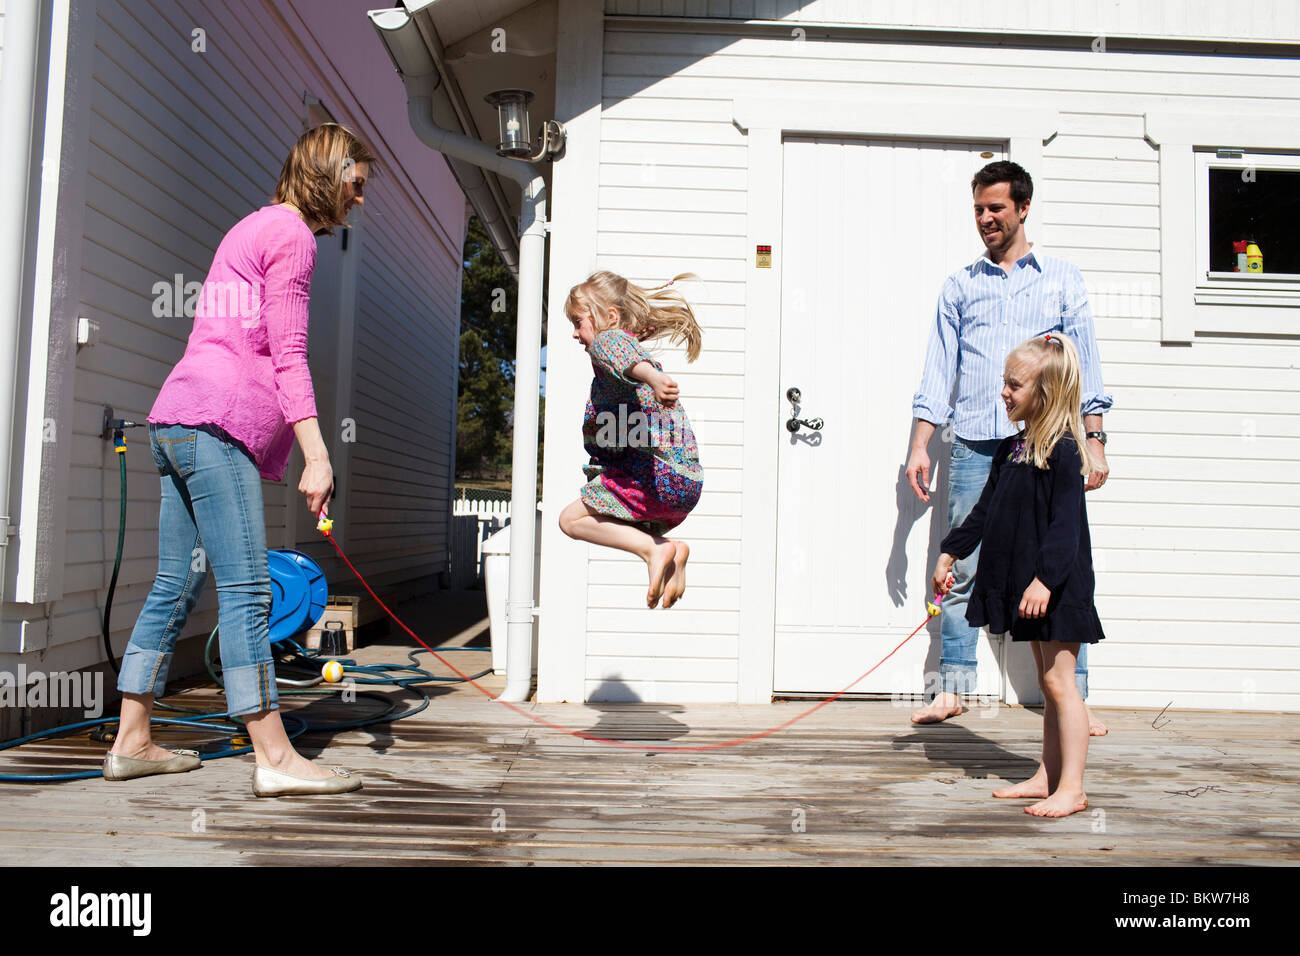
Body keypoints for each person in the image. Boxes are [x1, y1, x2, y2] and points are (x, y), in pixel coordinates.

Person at [105, 124, 374, 796]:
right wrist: (318, 454)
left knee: (175, 584)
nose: (360, 201)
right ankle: (276, 759)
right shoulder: (292, 239)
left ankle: (132, 741)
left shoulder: (250, 227)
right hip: (216, 426)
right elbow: (288, 355)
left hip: (174, 418)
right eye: (357, 185)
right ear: (330, 174)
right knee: (249, 588)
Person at [907, 161, 1112, 733]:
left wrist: (1094, 442)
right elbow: (937, 373)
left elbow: (1087, 367)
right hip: (975, 441)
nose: (985, 219)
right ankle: (952, 688)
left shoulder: (1062, 278)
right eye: (978, 209)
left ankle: (1073, 697)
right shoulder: (960, 286)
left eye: (995, 208)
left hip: (1048, 445)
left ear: (1023, 208)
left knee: (1057, 561)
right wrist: (920, 446)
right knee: (961, 561)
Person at [932, 333, 1104, 817]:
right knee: (1049, 684)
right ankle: (1047, 776)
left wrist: (1046, 581)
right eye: (1003, 383)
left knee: (1062, 684)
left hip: (1059, 587)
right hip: (1036, 588)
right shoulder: (1013, 448)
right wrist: (951, 552)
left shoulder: (1066, 451)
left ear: (1046, 393)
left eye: (1014, 384)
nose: (1003, 392)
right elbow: (984, 513)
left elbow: (1066, 528)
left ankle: (1073, 787)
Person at [557, 271, 704, 608]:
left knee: (571, 520)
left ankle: (655, 549)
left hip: (651, 478)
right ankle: (670, 551)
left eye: (579, 322)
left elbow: (621, 356)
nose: (576, 333)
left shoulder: (609, 342)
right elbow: (629, 354)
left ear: (609, 317)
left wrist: (653, 376)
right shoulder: (627, 341)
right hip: (684, 485)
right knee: (609, 518)